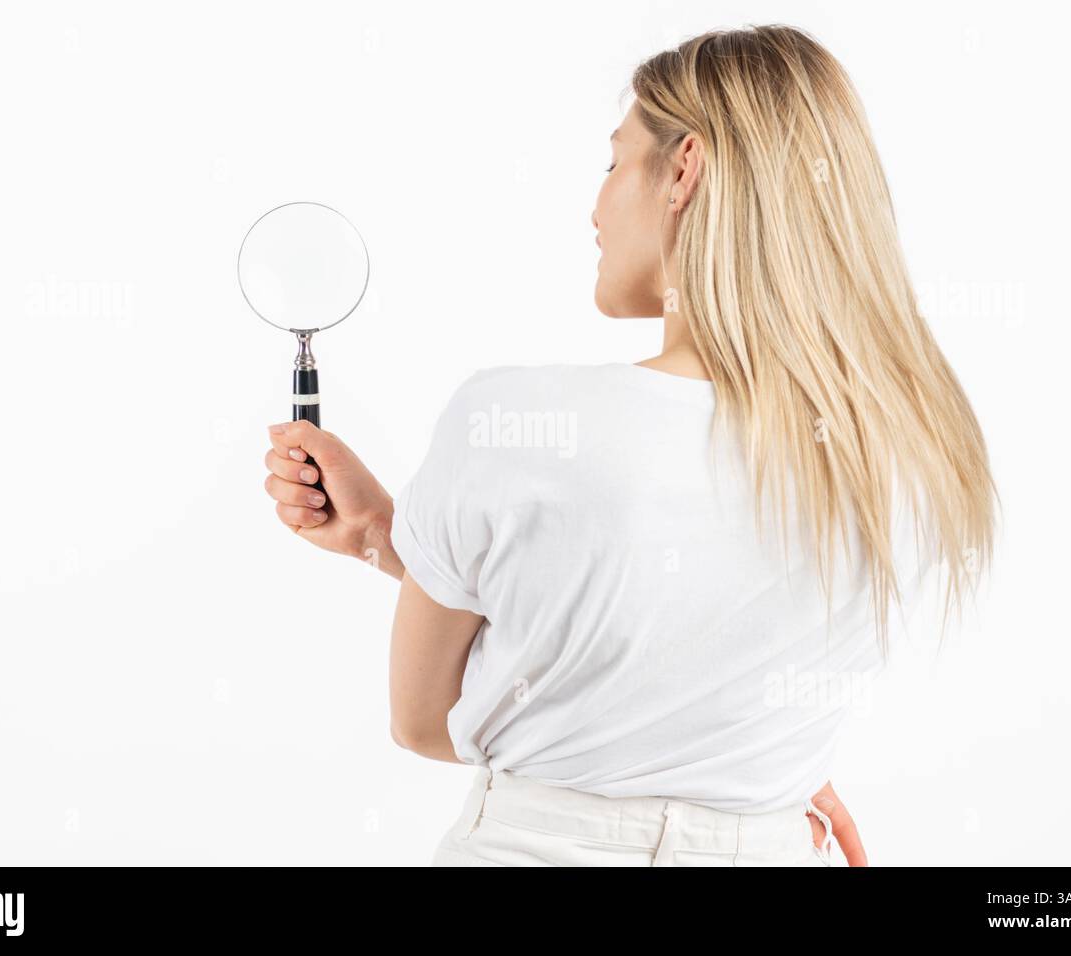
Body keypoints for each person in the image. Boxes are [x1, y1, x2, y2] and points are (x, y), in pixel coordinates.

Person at [263, 24, 997, 866]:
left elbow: (429, 723)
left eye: (613, 162)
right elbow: (674, 639)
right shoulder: (912, 454)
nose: (596, 204)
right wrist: (387, 535)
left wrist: (396, 544)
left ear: (683, 170)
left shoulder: (510, 420)